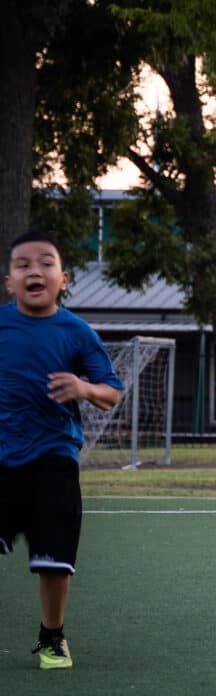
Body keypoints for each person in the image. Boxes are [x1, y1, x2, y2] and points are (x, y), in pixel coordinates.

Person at [1, 230, 124, 669]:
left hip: (54, 458)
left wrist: (83, 387)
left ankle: (52, 637)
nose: (34, 270)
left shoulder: (76, 333)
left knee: (54, 559)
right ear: (9, 282)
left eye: (46, 262)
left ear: (64, 279)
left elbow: (112, 392)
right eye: (23, 264)